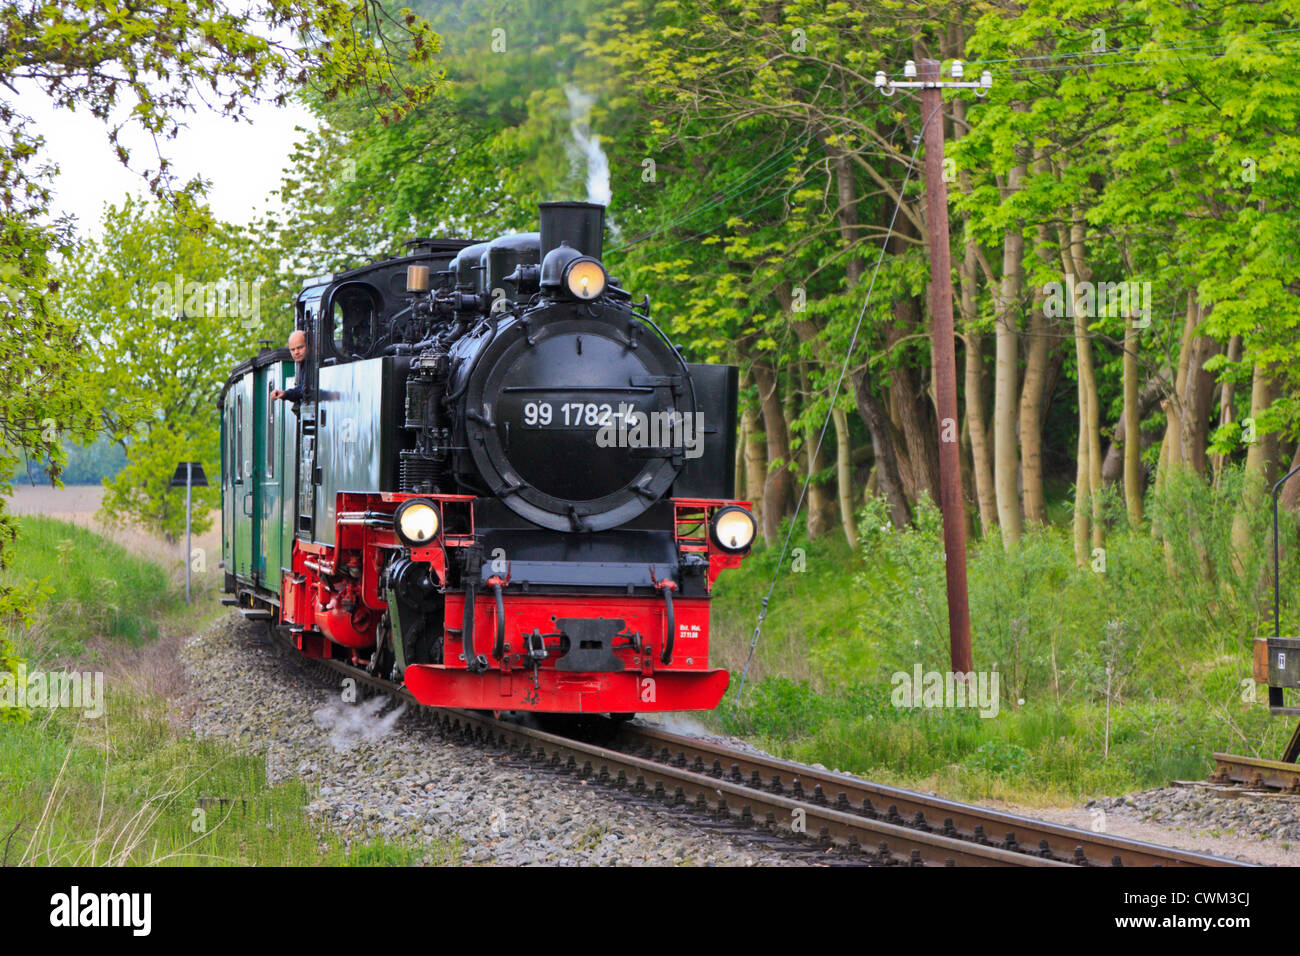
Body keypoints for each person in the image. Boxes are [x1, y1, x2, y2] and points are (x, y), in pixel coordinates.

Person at [271, 330, 309, 402]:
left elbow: (304, 391)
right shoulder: (303, 364)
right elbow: (301, 390)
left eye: (300, 347)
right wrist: (285, 394)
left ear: (309, 345)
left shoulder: (313, 365)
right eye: (293, 349)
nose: (296, 352)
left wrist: (286, 394)